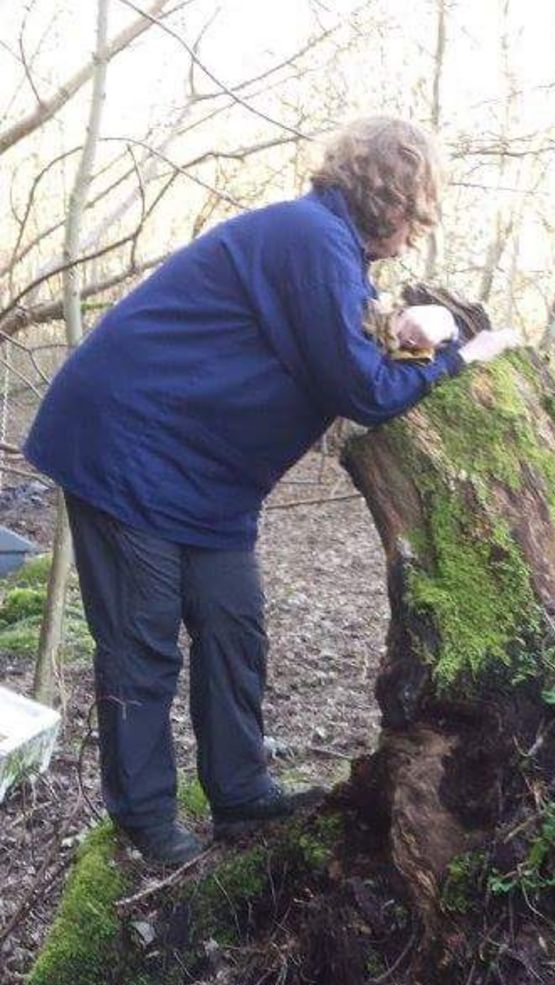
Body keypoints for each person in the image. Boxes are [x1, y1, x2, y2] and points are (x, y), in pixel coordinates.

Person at [25, 116, 517, 864]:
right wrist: (459, 358)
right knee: (142, 643)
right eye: (417, 215)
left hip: (207, 478)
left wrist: (412, 336)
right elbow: (361, 389)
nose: (415, 237)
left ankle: (241, 793)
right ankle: (146, 822)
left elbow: (352, 352)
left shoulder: (334, 257)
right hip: (127, 446)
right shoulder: (308, 238)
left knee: (233, 628)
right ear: (389, 197)